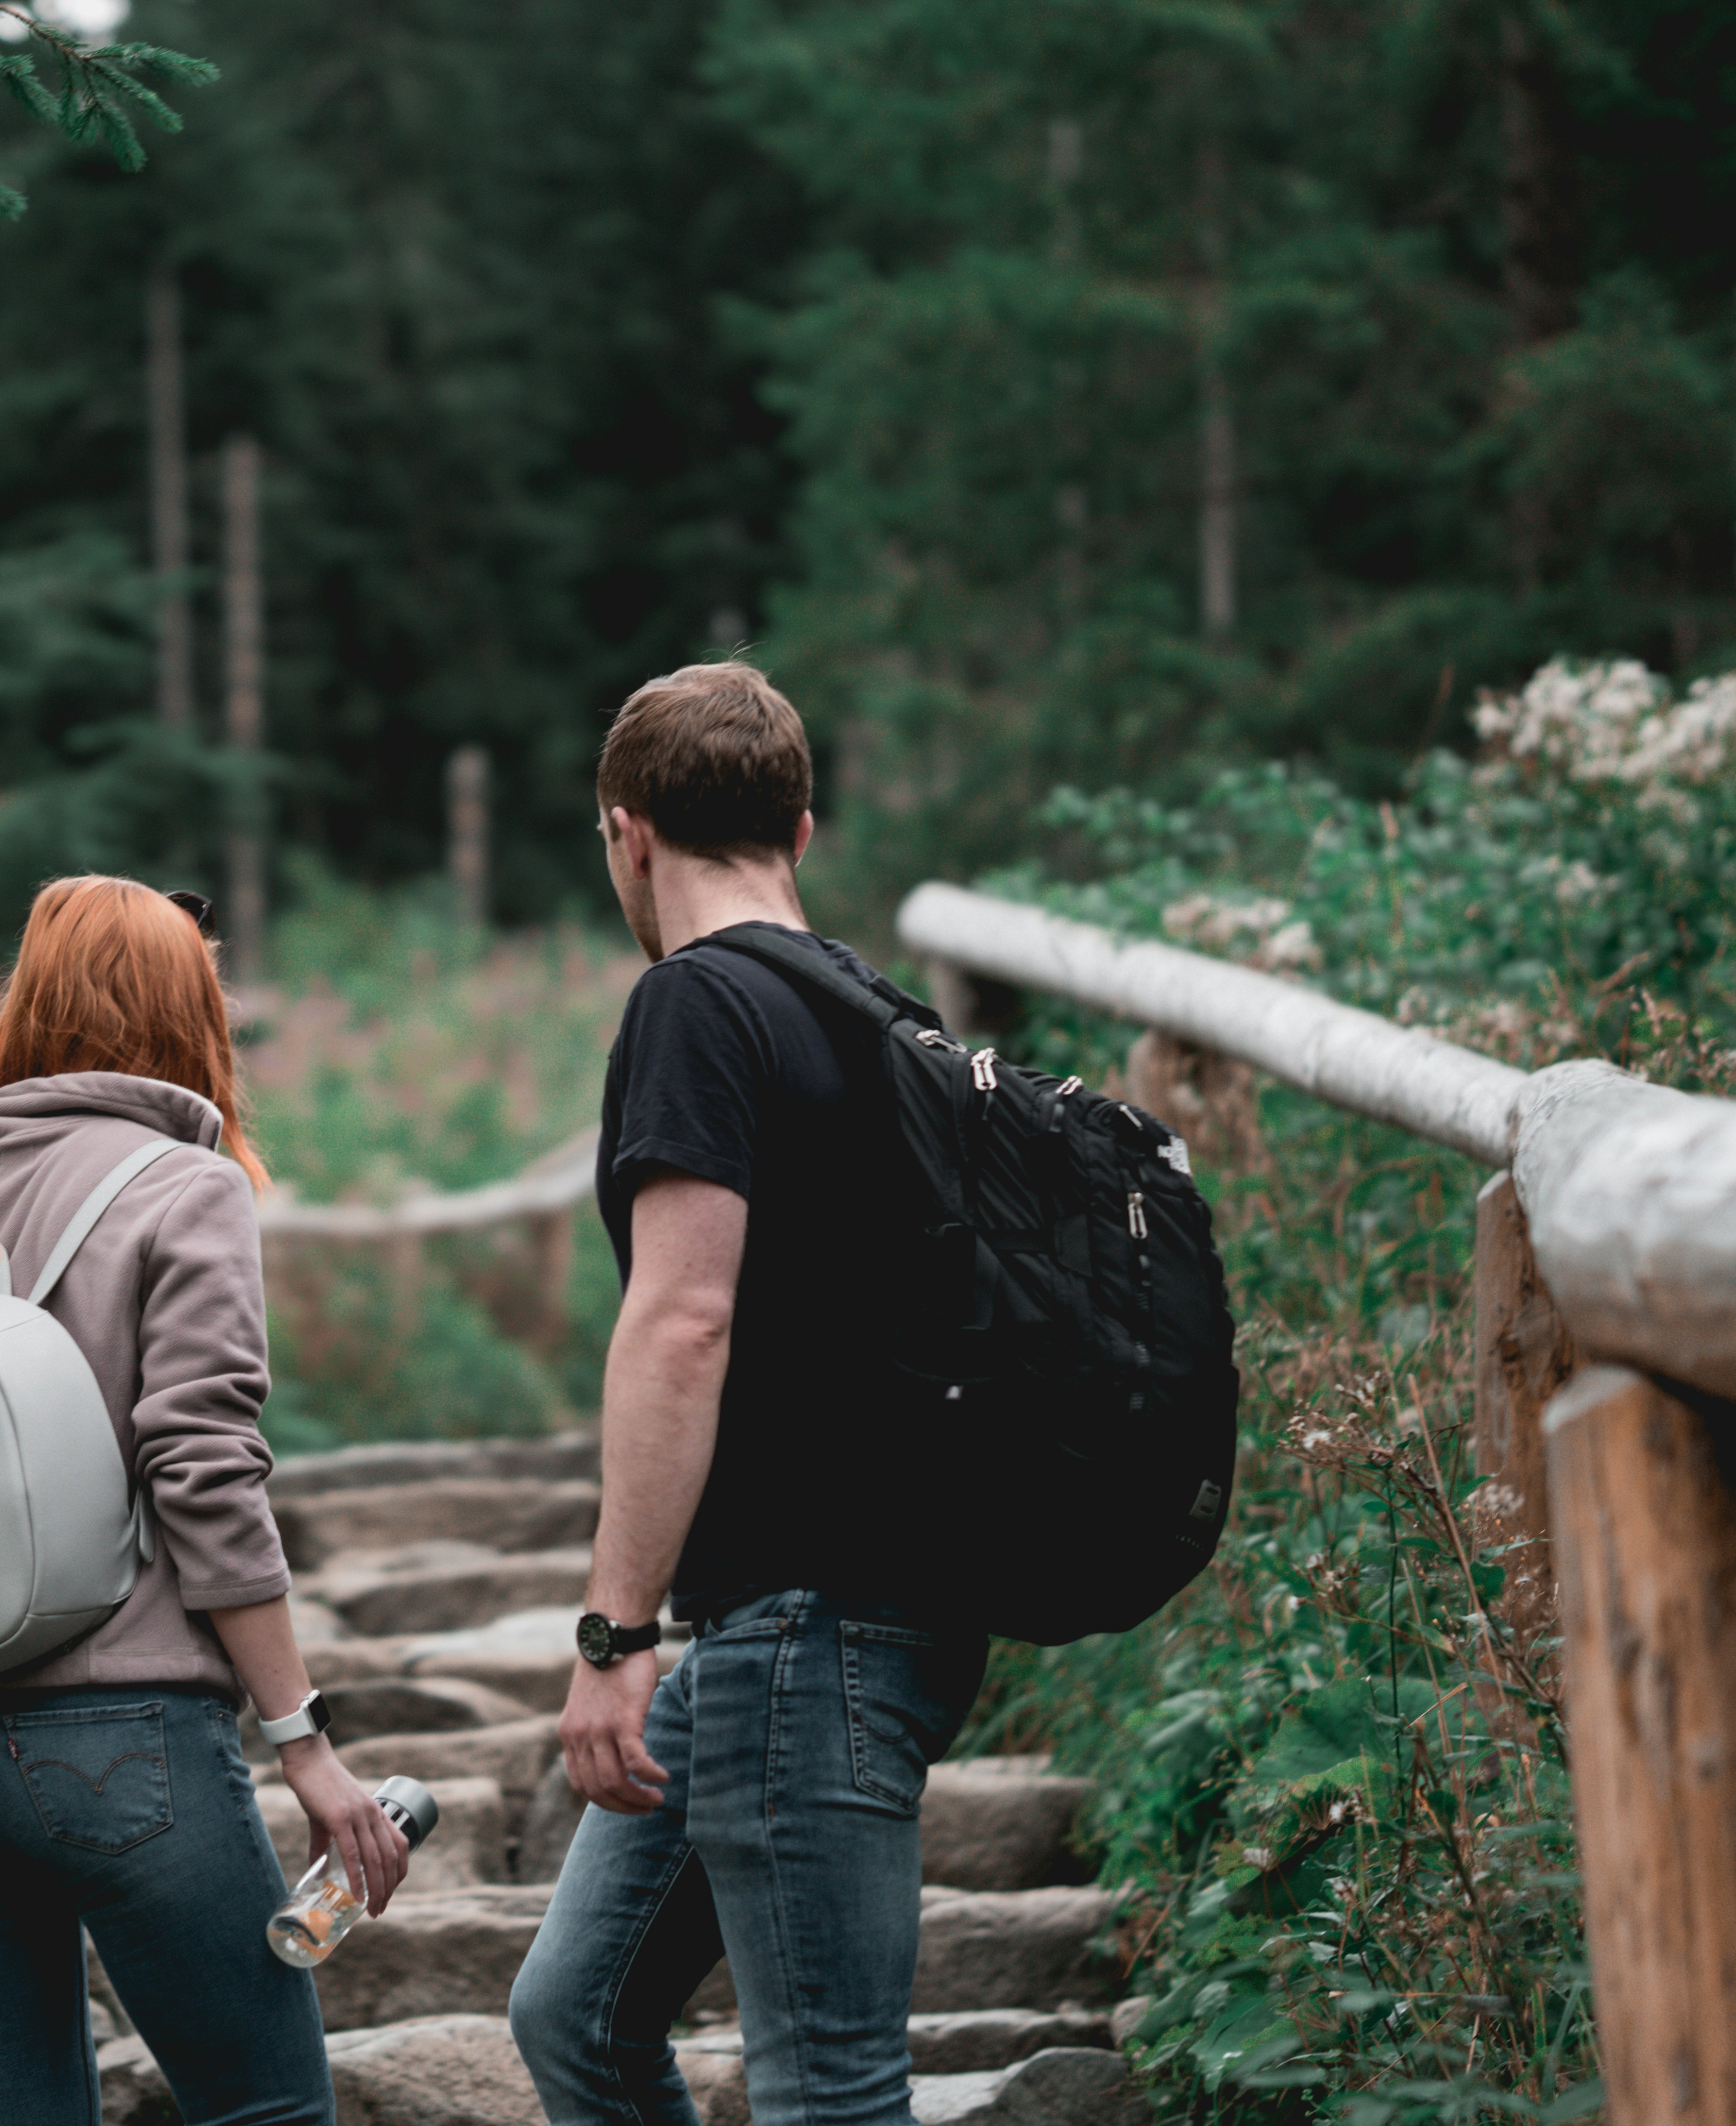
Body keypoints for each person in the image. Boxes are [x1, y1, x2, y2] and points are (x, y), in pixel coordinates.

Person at [0, 875, 410, 2126]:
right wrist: (306, 1745)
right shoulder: (186, 1186)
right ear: (192, 1016)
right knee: (265, 2111)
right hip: (133, 1748)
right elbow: (205, 1466)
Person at [508, 665, 987, 2126]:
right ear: (803, 827)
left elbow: (682, 1320)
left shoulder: (699, 1007)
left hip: (809, 1629)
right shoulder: (878, 1017)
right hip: (837, 1619)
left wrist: (611, 1634)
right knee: (576, 2019)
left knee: (830, 2089)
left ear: (627, 833)